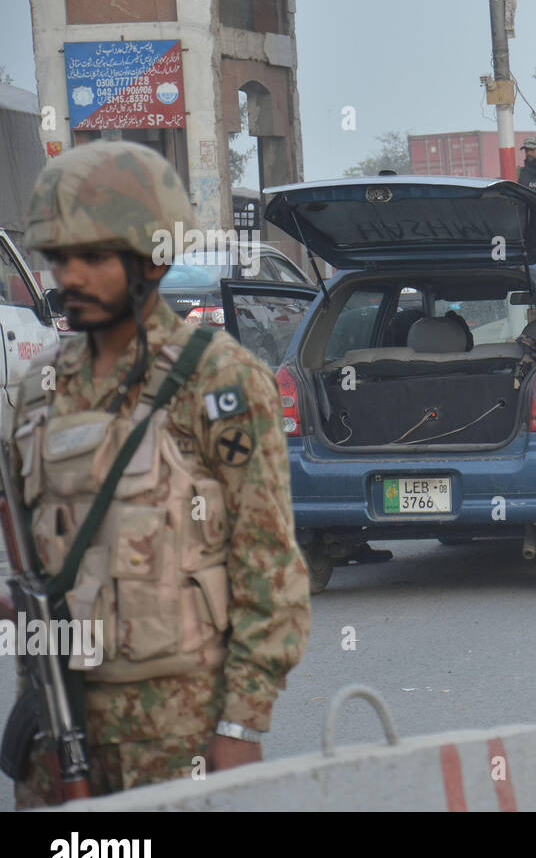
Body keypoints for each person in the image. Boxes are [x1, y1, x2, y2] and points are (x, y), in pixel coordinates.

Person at [5, 142, 310, 805]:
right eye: (58, 259)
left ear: (152, 259)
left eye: (92, 257)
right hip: (58, 727)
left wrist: (241, 721)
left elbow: (270, 566)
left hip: (179, 739)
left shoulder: (218, 378)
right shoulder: (37, 390)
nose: (69, 277)